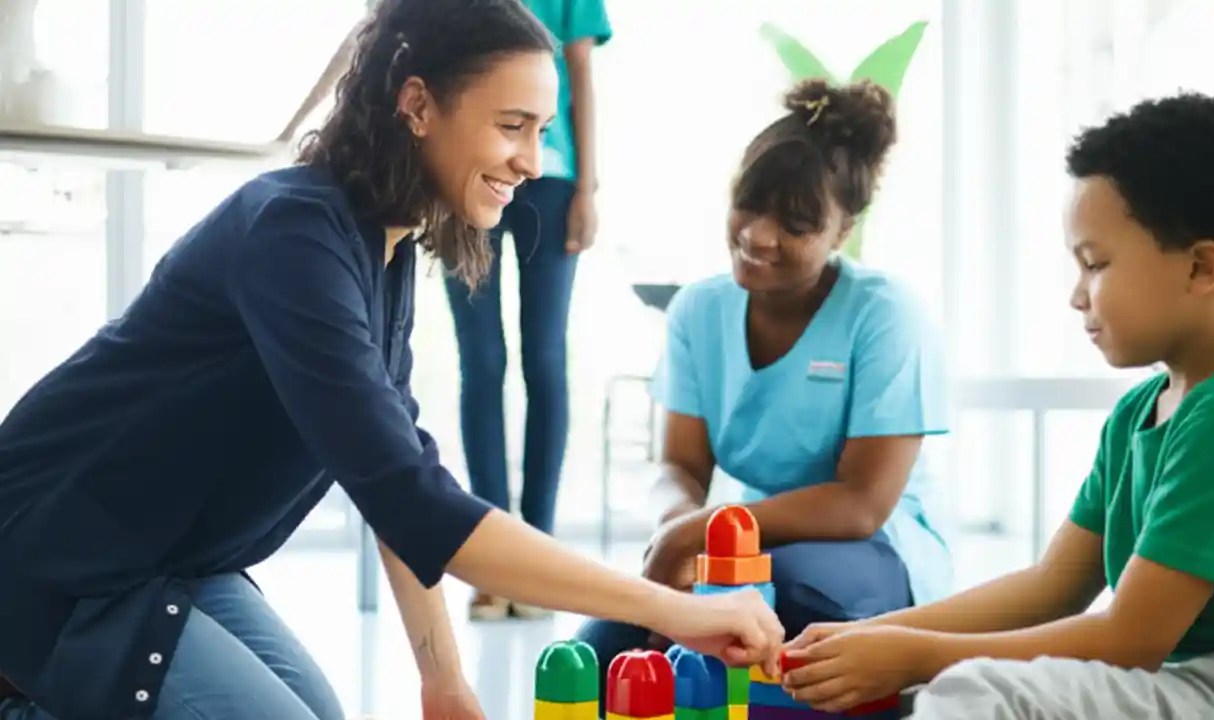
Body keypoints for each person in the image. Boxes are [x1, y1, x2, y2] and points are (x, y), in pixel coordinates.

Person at [0, 2, 783, 719]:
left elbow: (394, 473)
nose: (533, 162)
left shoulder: (386, 245)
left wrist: (440, 675)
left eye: (543, 131)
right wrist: (672, 608)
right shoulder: (293, 236)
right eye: (513, 126)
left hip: (171, 560)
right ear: (417, 106)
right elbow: (414, 498)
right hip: (59, 562)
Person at [777, 93, 1214, 720]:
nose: (1077, 296)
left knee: (975, 691)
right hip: (1175, 680)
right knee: (940, 682)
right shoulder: (1140, 413)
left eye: (1095, 264)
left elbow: (1131, 640)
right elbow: (1054, 585)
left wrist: (911, 654)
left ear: (1202, 266)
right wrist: (876, 636)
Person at [575, 77, 954, 704]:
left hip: (873, 549)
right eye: (749, 204)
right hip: (742, 546)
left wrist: (701, 535)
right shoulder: (698, 311)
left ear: (843, 230)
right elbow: (679, 464)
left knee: (792, 604)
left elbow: (862, 503)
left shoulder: (885, 315)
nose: (758, 234)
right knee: (603, 646)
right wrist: (680, 528)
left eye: (796, 223)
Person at [443, 0, 610, 622]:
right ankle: (493, 561)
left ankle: (536, 555)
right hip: (469, 172)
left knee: (544, 358)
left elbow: (581, 78)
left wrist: (589, 187)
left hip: (553, 179)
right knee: (481, 362)